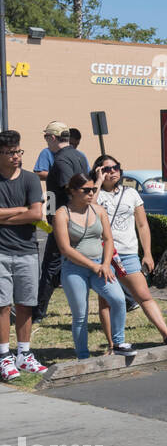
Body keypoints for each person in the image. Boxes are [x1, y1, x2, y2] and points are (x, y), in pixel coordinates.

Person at [92, 155, 167, 347]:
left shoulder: (131, 194)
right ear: (99, 171)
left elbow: (142, 225)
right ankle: (113, 344)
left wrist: (148, 253)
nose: (112, 172)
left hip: (127, 253)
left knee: (144, 295)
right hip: (102, 254)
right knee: (106, 301)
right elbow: (89, 210)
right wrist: (98, 182)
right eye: (106, 169)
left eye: (115, 167)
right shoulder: (94, 193)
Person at [53, 173, 130, 359]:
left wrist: (104, 264)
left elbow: (108, 239)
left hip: (100, 265)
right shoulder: (62, 214)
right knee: (80, 314)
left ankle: (118, 342)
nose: (91, 193)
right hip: (74, 268)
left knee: (118, 299)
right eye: (86, 190)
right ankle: (83, 355)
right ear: (72, 191)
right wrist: (93, 267)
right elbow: (65, 249)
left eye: (93, 190)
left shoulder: (98, 210)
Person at [0, 131, 49, 380]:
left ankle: (24, 354)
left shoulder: (30, 179)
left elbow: (36, 215)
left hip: (27, 251)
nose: (16, 157)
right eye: (10, 152)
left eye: (18, 151)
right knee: (2, 305)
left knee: (25, 304)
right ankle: (4, 356)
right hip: (0, 252)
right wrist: (21, 209)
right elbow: (27, 212)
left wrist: (8, 213)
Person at [33, 121, 89, 323]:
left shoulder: (61, 160)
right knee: (86, 262)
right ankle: (126, 298)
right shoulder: (79, 156)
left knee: (50, 264)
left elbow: (71, 188)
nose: (46, 141)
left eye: (46, 137)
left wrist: (61, 217)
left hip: (63, 219)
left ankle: (37, 313)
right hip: (76, 216)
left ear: (53, 138)